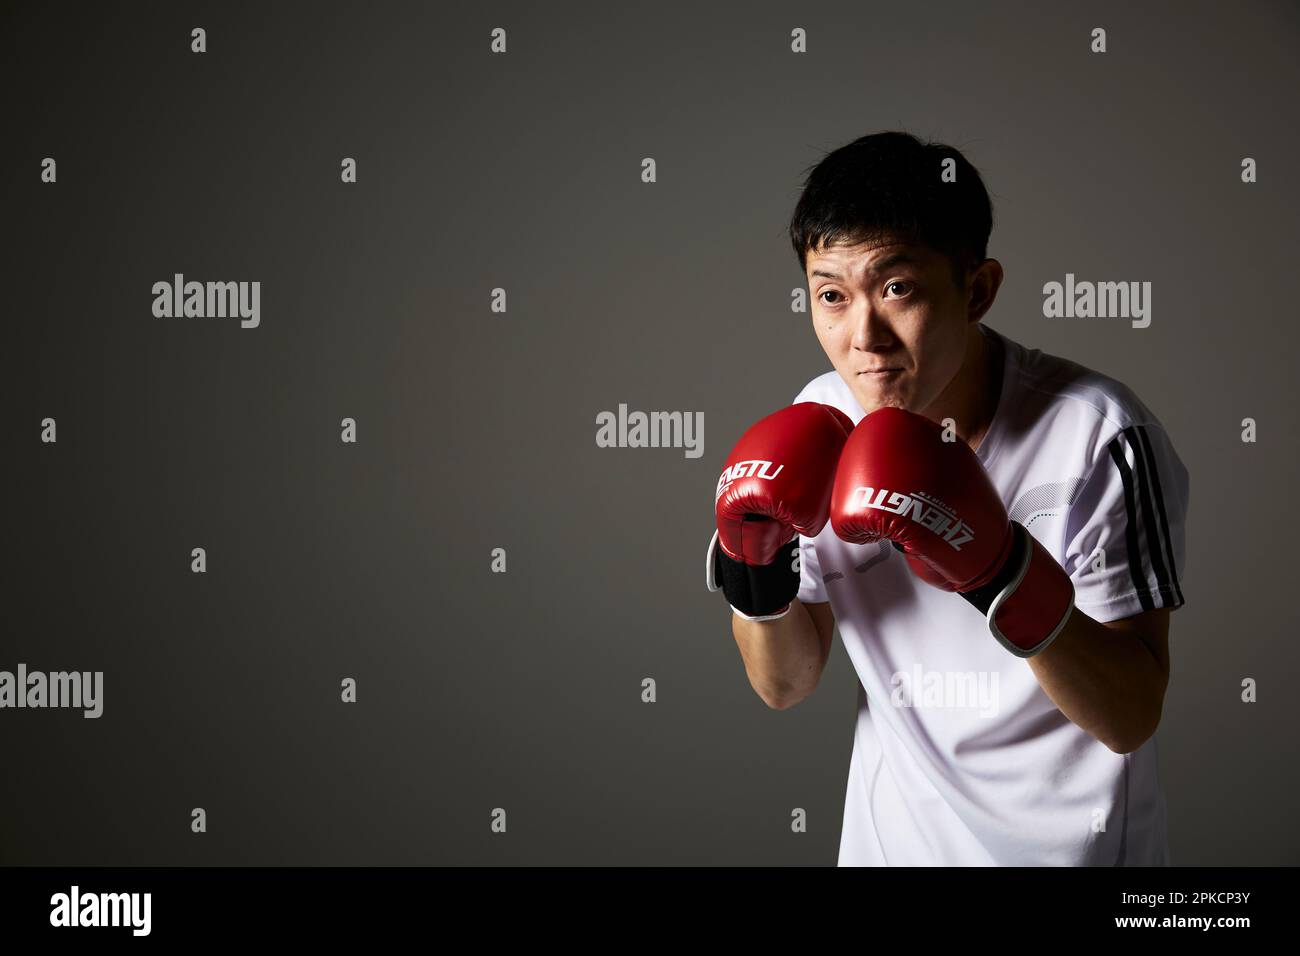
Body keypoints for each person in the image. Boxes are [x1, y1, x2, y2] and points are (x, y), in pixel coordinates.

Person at [707, 131, 1188, 866]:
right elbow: (784, 684)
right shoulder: (821, 422)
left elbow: (1129, 716)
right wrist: (753, 567)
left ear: (978, 288)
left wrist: (1000, 571)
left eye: (897, 288)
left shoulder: (1098, 436)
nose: (863, 336)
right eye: (831, 296)